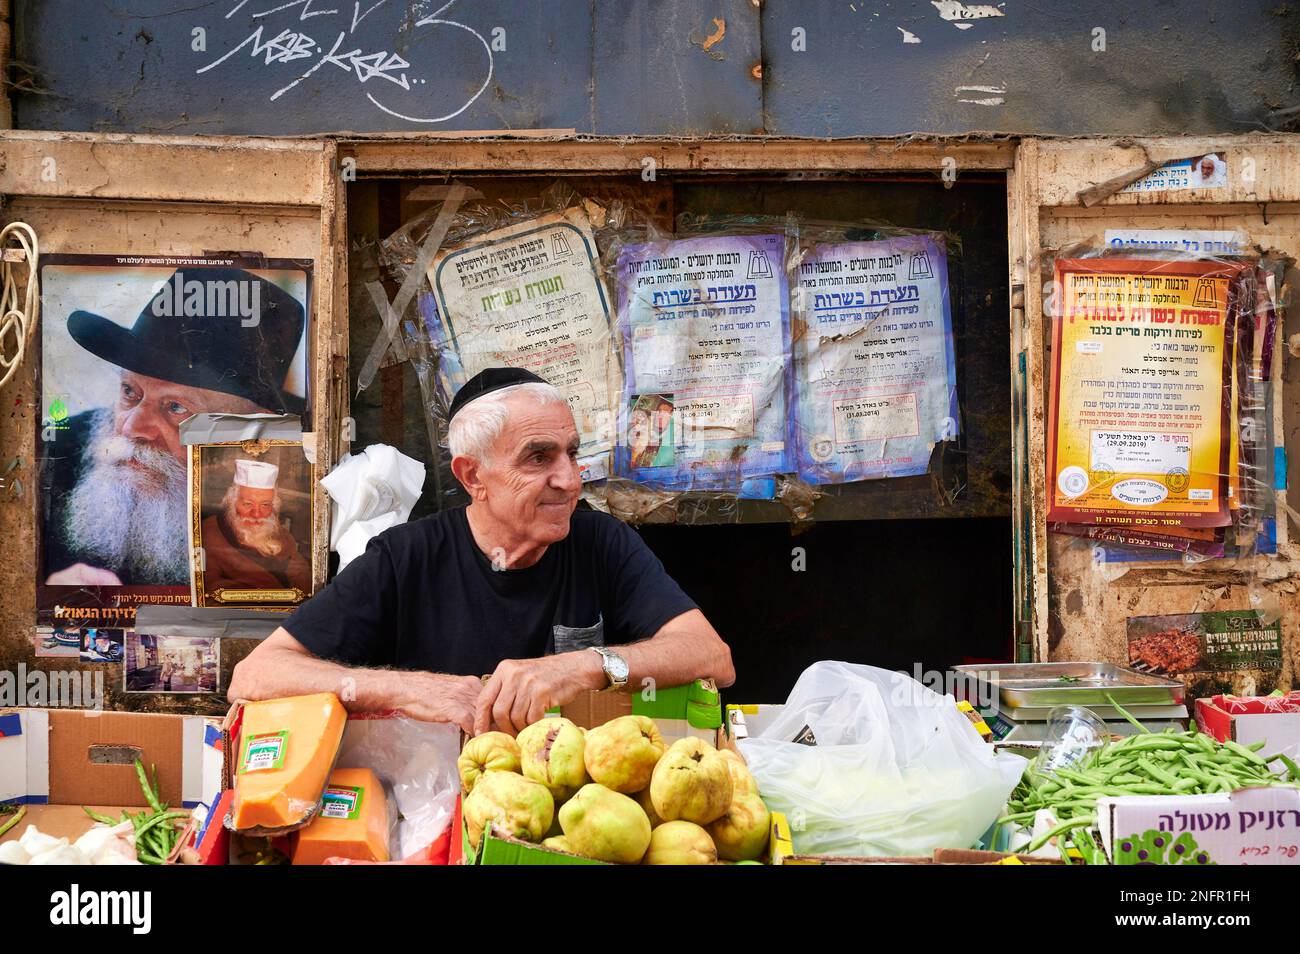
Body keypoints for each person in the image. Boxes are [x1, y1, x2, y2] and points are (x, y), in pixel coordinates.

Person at [228, 367, 736, 735]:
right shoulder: (405, 559)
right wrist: (414, 690)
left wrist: (586, 665)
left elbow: (712, 657)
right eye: (538, 457)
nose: (567, 479)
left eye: (572, 453)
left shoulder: (602, 542)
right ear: (474, 477)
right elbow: (255, 675)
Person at [42, 267, 306, 587]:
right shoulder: (56, 454)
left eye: (176, 407)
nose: (130, 428)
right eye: (129, 392)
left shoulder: (300, 490)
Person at [200, 458, 311, 596]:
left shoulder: (277, 531)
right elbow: (209, 588)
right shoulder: (209, 533)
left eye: (265, 505)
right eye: (248, 504)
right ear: (232, 502)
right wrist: (273, 591)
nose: (257, 514)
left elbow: (301, 570)